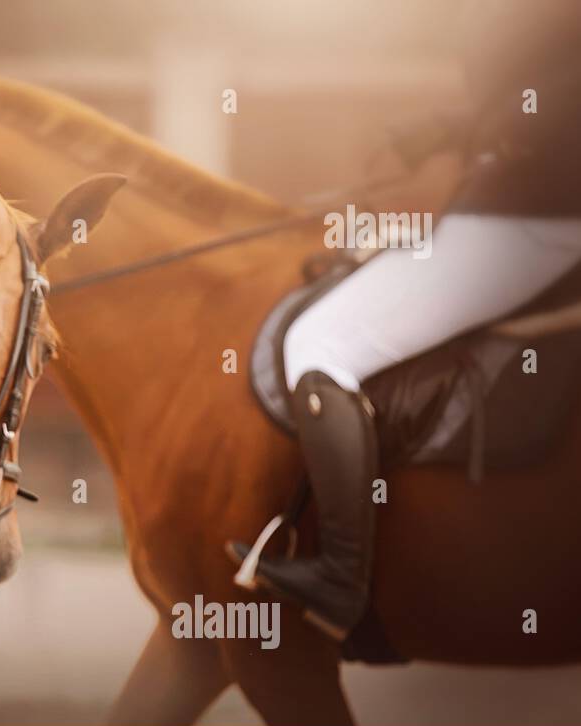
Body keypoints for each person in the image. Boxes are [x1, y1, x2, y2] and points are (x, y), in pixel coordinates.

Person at [229, 0, 581, 639]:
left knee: (320, 342)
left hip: (531, 218)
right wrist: (445, 129)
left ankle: (340, 576)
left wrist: (479, 132)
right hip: (518, 206)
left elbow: (548, 111)